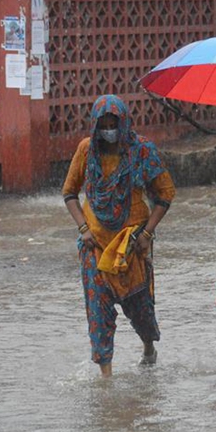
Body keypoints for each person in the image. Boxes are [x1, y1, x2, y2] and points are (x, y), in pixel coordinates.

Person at [62, 94, 176, 378]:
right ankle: (106, 380)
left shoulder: (142, 152)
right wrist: (83, 229)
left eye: (114, 124)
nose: (109, 131)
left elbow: (165, 194)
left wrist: (148, 233)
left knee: (140, 308)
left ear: (124, 124)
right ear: (95, 126)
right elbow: (69, 193)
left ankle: (148, 347)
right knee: (98, 311)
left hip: (132, 246)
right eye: (104, 125)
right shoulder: (87, 152)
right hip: (95, 245)